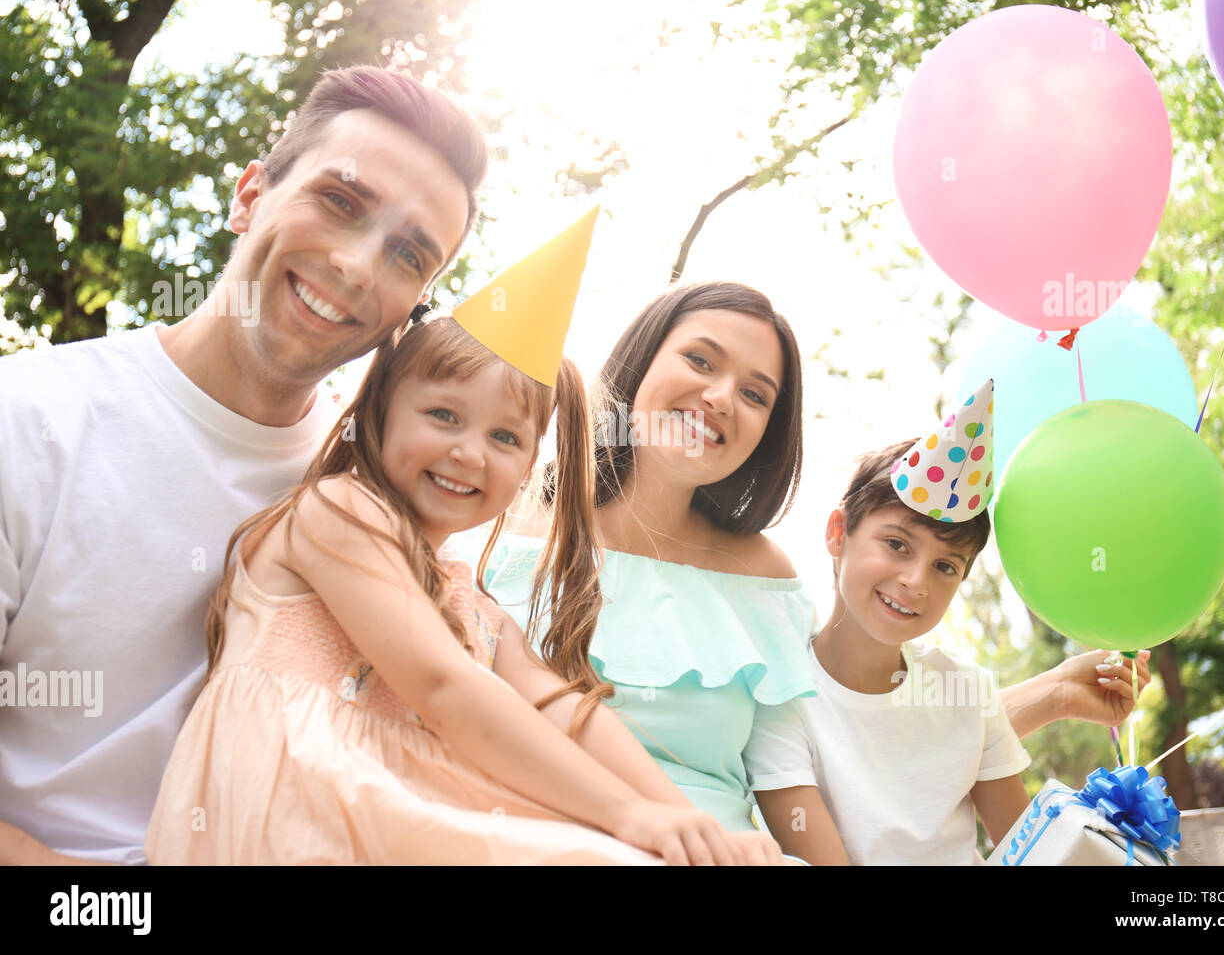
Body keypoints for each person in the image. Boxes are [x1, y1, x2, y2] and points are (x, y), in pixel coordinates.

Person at [0, 65, 488, 865]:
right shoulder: (27, 421)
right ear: (250, 196)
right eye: (340, 202)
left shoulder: (378, 497)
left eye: (407, 254)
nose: (360, 267)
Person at [480, 281, 1151, 837]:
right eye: (701, 361)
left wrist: (1053, 693)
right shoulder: (495, 523)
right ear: (643, 360)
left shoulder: (760, 577)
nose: (719, 398)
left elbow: (856, 735)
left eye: (755, 394)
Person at [146, 306, 770, 864]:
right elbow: (443, 686)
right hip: (294, 807)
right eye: (444, 415)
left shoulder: (476, 606)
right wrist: (627, 813)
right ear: (382, 411)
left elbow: (566, 712)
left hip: (391, 807)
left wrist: (681, 820)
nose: (470, 453)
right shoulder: (338, 512)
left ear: (528, 468)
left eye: (504, 437)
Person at [744, 387, 1032, 865]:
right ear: (838, 533)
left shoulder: (968, 691)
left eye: (946, 567)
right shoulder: (781, 698)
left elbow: (1031, 852)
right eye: (897, 544)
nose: (916, 582)